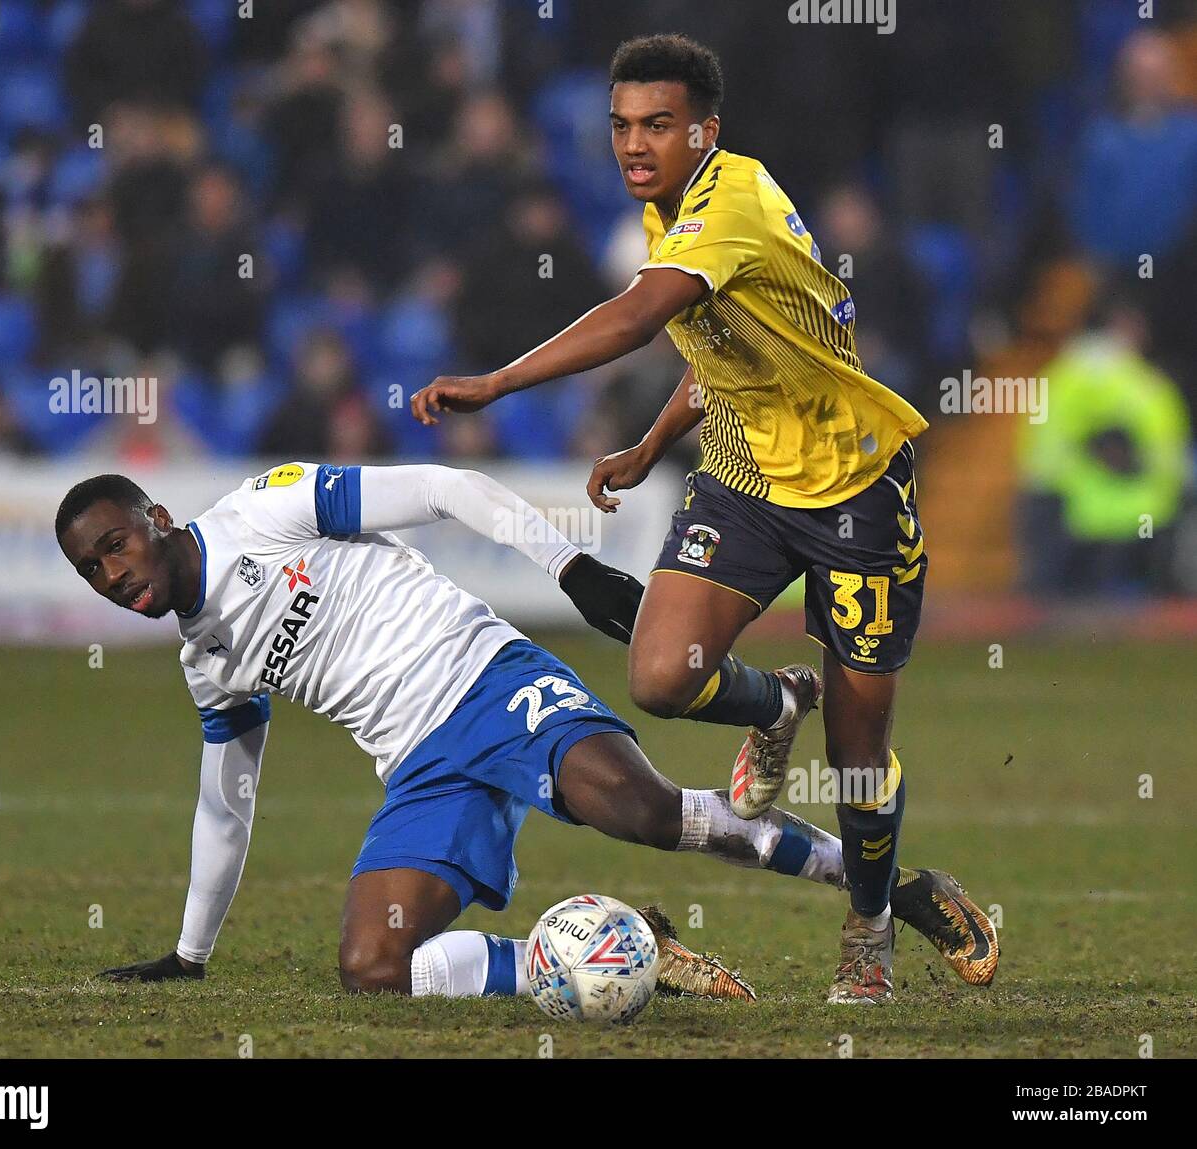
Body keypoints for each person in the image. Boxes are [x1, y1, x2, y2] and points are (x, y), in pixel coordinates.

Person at [409, 35, 972, 1002]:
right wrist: (649, 442)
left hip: (852, 486)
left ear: (704, 132)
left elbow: (639, 315)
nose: (635, 144)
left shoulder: (733, 200)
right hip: (745, 473)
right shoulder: (670, 212)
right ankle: (773, 702)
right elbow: (723, 345)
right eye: (622, 126)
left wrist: (499, 381)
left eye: (658, 126)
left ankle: (871, 924)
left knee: (858, 753)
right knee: (663, 676)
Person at [55, 460, 996, 1003]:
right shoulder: (206, 662)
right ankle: (618, 950)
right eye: (92, 571)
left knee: (642, 809)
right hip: (421, 769)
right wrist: (189, 953)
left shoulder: (265, 510)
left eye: (116, 546)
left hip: (488, 678)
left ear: (158, 518)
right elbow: (227, 803)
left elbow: (441, 486)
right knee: (373, 967)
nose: (113, 574)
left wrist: (571, 566)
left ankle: (892, 886)